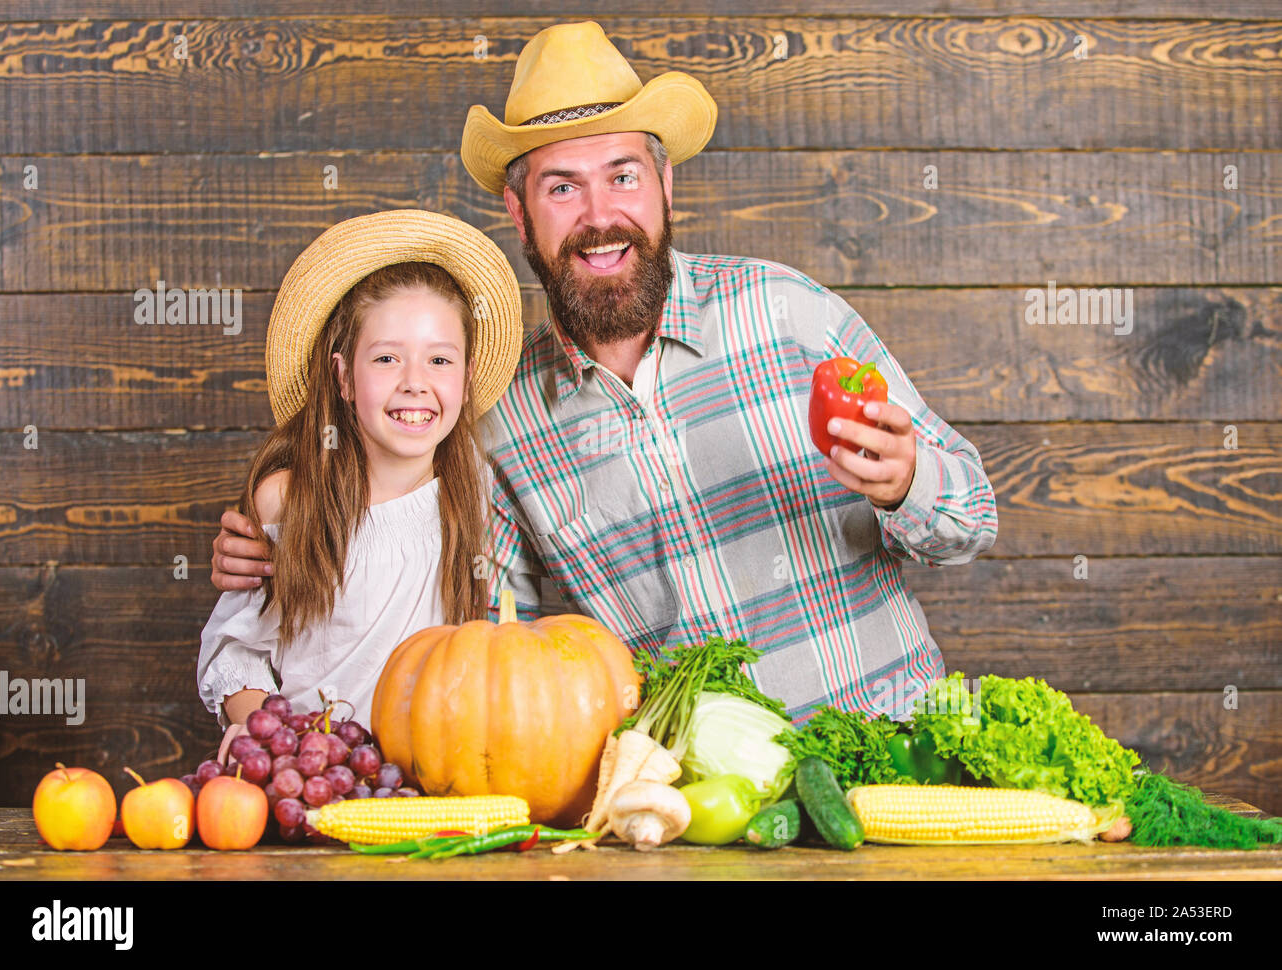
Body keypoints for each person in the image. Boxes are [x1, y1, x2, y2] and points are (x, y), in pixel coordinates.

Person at [211, 22, 998, 724]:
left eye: (622, 174)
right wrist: (292, 537)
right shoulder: (500, 416)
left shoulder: (788, 313)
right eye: (562, 187)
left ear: (663, 186)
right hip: (689, 809)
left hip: (894, 755)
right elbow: (486, 629)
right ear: (520, 215)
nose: (599, 213)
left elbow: (972, 517)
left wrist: (906, 483)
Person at [196, 209, 522, 757]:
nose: (415, 383)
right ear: (344, 376)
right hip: (315, 772)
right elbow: (237, 649)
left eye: (438, 359)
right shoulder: (290, 499)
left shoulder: (481, 494)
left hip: (428, 778)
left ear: (466, 381)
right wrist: (262, 738)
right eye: (387, 358)